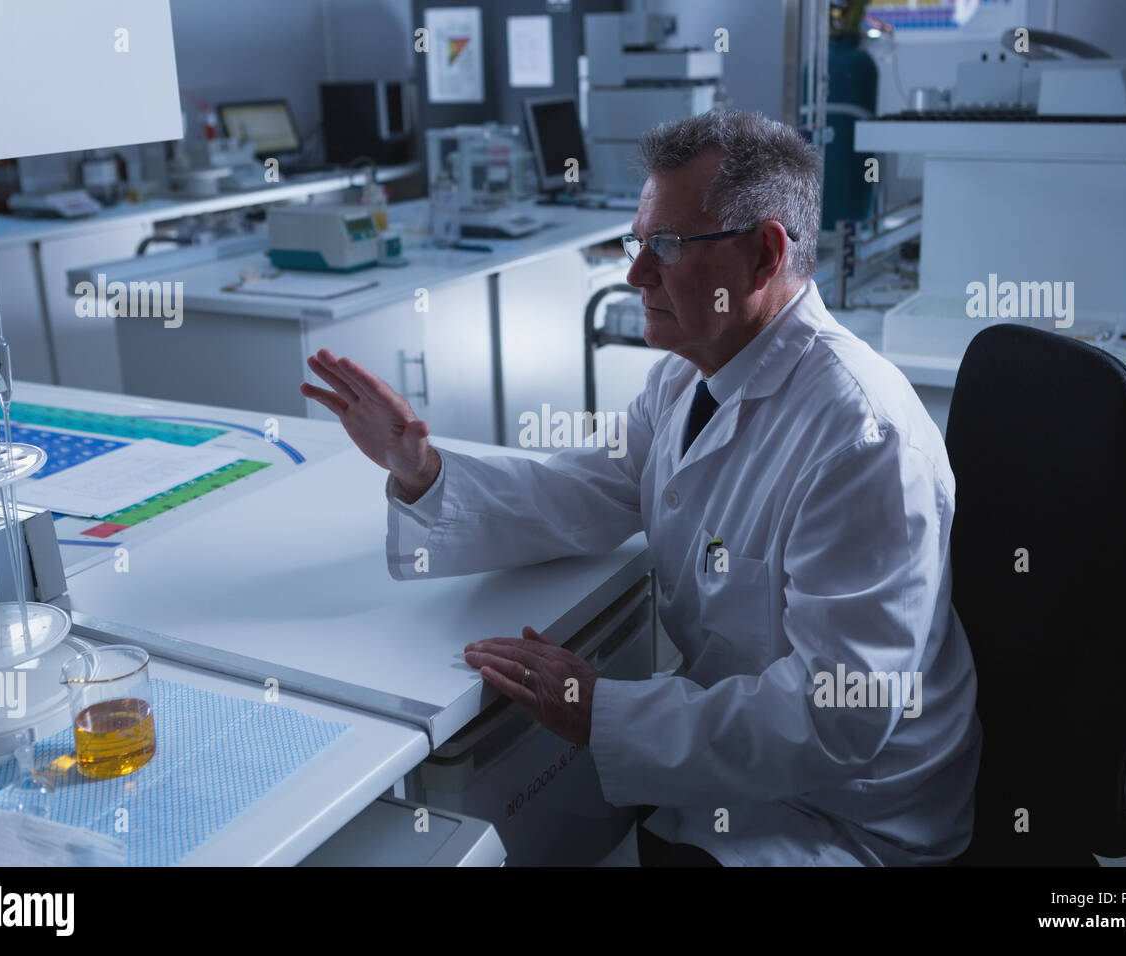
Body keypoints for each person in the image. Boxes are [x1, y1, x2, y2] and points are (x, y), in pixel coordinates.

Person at [301, 109, 981, 867]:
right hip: (751, 775)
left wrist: (604, 710)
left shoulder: (861, 438)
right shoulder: (688, 374)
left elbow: (841, 716)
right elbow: (583, 492)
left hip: (849, 816)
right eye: (637, 243)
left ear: (763, 254)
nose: (635, 274)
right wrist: (422, 473)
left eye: (666, 247)